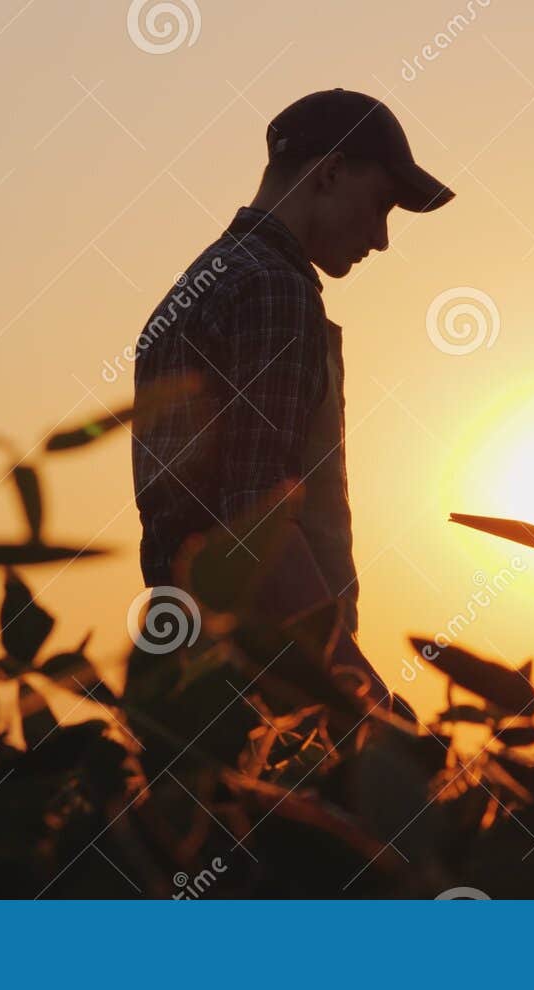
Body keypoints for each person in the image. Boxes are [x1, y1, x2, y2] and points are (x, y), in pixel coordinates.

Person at [131, 89, 453, 697]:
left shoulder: (189, 292)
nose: (383, 239)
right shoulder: (276, 289)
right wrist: (361, 700)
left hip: (180, 660)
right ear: (329, 172)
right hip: (265, 679)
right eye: (381, 205)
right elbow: (259, 530)